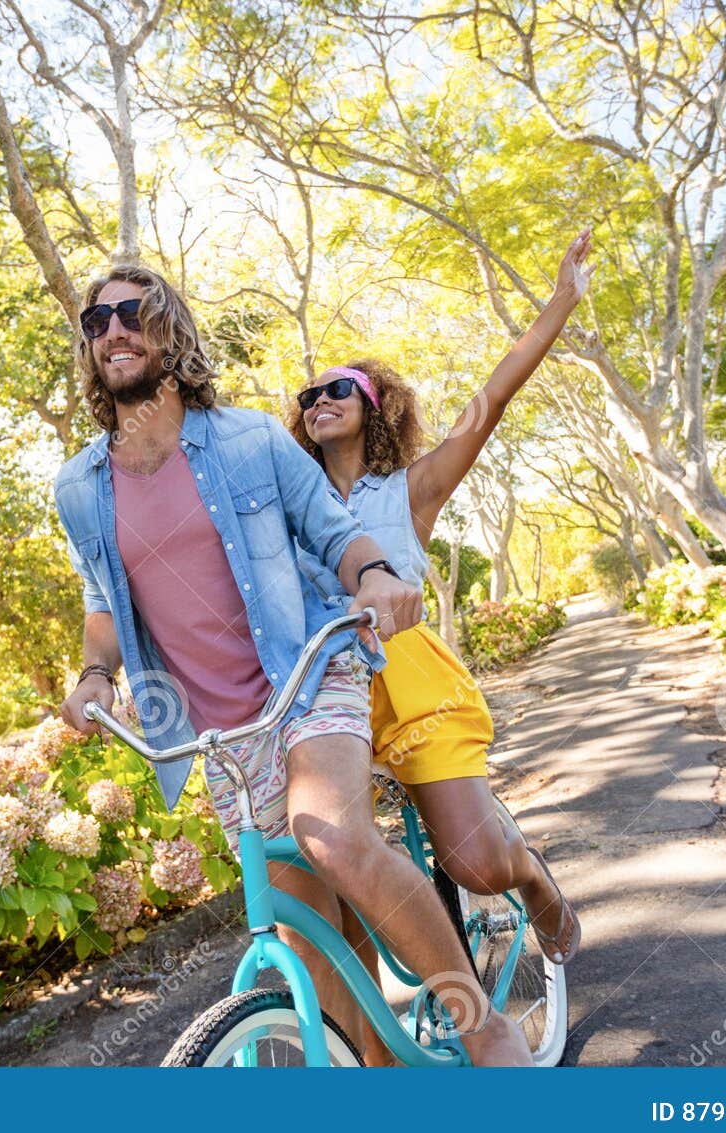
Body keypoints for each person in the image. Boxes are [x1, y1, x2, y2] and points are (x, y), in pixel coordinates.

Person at [54, 263, 531, 1065]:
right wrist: (95, 674)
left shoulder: (249, 439)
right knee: (308, 934)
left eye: (132, 313)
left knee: (332, 837)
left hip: (309, 675)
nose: (114, 331)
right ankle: (379, 1075)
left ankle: (484, 1026)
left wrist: (375, 576)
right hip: (218, 731)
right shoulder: (79, 485)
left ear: (171, 330)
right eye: (96, 322)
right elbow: (102, 604)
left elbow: (334, 532)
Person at [288, 228, 596, 981]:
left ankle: (532, 877)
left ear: (375, 407)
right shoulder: (289, 510)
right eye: (308, 396)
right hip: (325, 695)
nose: (319, 400)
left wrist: (562, 301)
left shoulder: (412, 489)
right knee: (338, 877)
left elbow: (491, 400)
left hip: (412, 683)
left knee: (477, 865)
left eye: (337, 389)